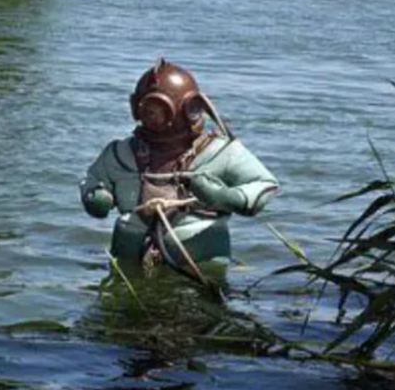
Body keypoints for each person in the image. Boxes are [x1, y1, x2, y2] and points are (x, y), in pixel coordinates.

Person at [78, 59, 279, 274]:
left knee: (199, 304)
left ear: (191, 108)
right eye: (148, 109)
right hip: (129, 254)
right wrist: (97, 196)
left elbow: (264, 184)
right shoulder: (121, 154)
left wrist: (226, 197)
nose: (153, 118)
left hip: (200, 254)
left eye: (161, 110)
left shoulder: (218, 153)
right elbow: (92, 180)